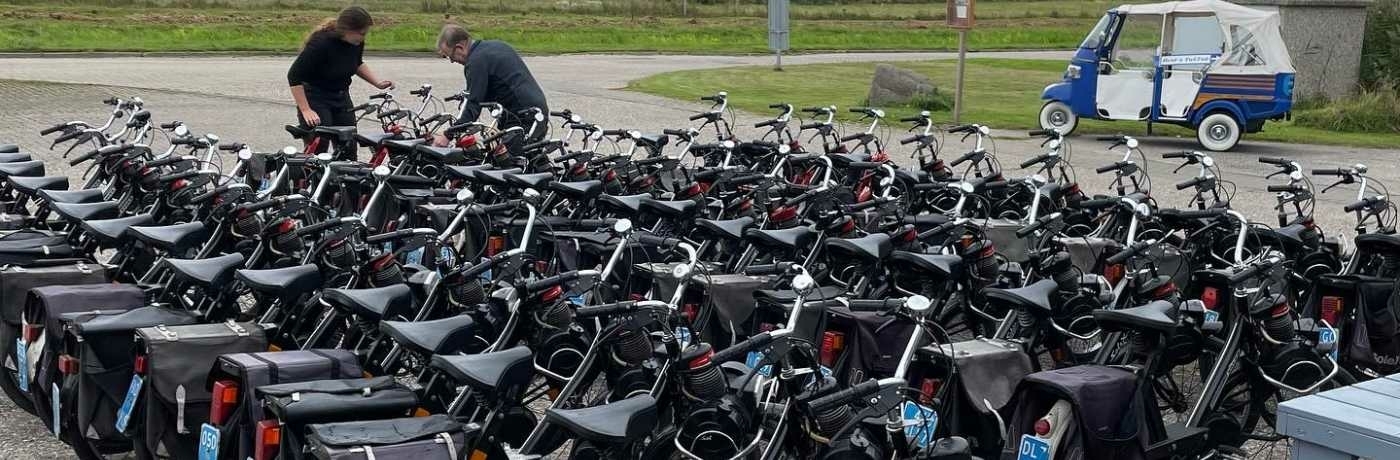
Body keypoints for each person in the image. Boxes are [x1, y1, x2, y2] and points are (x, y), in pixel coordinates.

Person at [434, 24, 549, 151]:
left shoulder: (476, 62)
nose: (452, 61)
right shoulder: (494, 46)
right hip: (536, 110)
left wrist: (448, 135)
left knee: (508, 160)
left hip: (523, 117)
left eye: (450, 56)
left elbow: (473, 106)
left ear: (459, 48)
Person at [287, 6, 394, 135]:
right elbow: (294, 76)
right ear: (347, 30)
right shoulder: (321, 43)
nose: (363, 38)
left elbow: (356, 63)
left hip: (341, 96)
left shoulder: (356, 43)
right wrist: (306, 110)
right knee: (321, 140)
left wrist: (377, 83)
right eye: (362, 33)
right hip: (316, 98)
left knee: (349, 139)